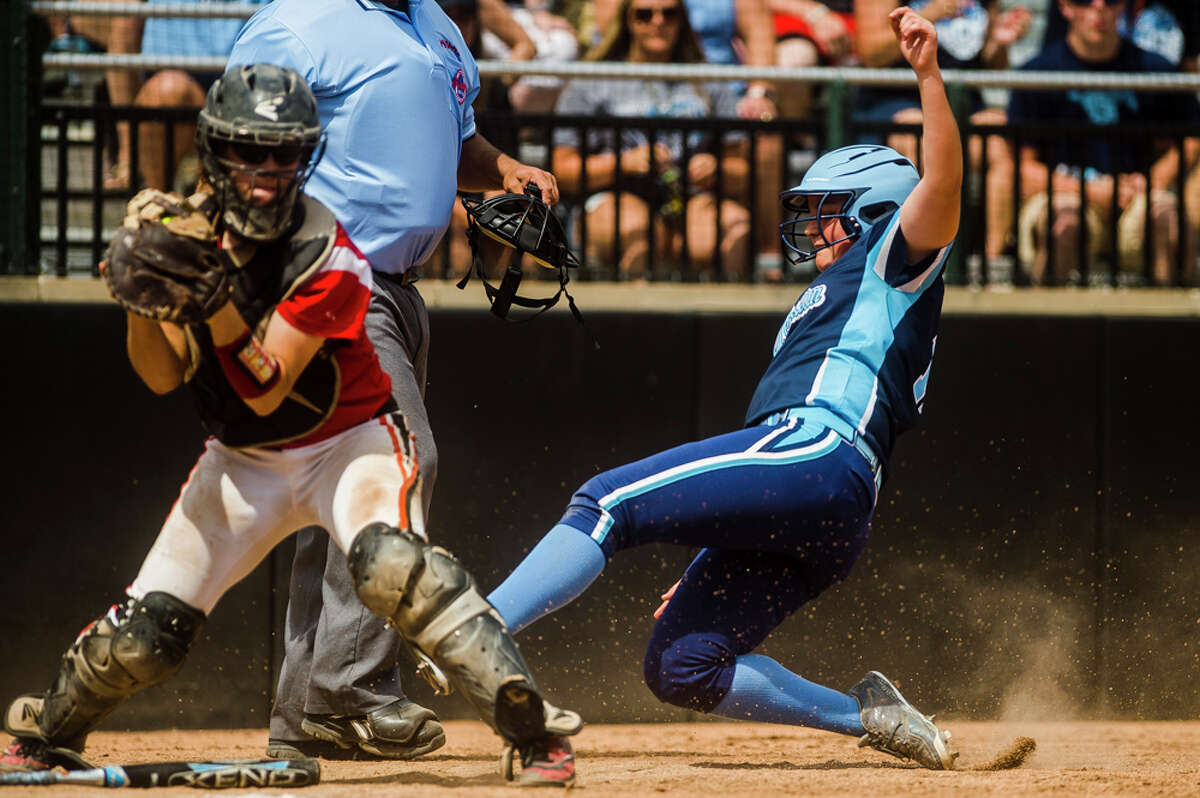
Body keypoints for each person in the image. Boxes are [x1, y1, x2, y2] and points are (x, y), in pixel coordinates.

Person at [0, 64, 580, 788]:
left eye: (284, 152)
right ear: (217, 151)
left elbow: (264, 385)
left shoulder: (326, 249)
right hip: (245, 461)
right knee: (148, 640)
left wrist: (209, 297)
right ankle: (45, 735)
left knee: (394, 567)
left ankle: (532, 734)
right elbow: (159, 374)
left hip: (352, 443)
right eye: (250, 150)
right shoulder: (189, 233)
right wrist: (140, 295)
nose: (269, 169)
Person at [488, 6, 961, 770]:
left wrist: (928, 75)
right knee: (680, 666)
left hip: (817, 450)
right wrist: (717, 542)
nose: (812, 228)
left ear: (873, 214)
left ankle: (481, 627)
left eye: (825, 213)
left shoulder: (893, 256)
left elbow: (941, 181)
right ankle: (872, 719)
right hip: (829, 502)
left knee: (604, 503)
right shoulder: (845, 288)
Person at [226, 0, 565, 768]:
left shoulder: (436, 24)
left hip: (402, 293)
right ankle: (353, 691)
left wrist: (503, 169)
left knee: (335, 496)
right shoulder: (298, 20)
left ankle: (306, 709)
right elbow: (240, 145)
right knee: (396, 463)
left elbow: (459, 140)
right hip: (328, 279)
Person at [552, 0, 754, 279]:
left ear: (682, 21)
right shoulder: (592, 79)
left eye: (669, 14)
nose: (658, 22)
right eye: (645, 15)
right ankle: (636, 318)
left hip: (692, 200)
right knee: (637, 228)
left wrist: (716, 170)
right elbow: (562, 170)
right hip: (610, 198)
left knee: (734, 223)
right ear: (628, 21)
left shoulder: (710, 80)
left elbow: (743, 171)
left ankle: (722, 317)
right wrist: (623, 163)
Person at [1007, 0, 1200, 285]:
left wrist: (1152, 180)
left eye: (1110, 0)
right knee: (1063, 224)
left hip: (1139, 196)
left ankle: (1167, 325)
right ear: (1065, 7)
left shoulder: (1154, 68)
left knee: (1166, 220)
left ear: (1122, 7)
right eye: (1084, 0)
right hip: (1066, 194)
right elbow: (1022, 170)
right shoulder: (1037, 72)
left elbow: (1191, 137)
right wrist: (1092, 190)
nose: (1099, 8)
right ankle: (1048, 325)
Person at [856, 0, 1033, 282]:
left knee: (997, 134)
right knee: (918, 133)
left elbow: (989, 65)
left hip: (960, 103)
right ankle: (924, 259)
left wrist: (1000, 43)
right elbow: (870, 54)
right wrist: (932, 13)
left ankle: (991, 265)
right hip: (895, 100)